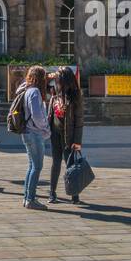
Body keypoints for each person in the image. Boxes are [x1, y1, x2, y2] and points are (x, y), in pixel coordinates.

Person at [47, 66, 85, 205]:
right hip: (55, 134)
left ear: (65, 81)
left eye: (58, 79)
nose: (56, 82)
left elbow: (79, 120)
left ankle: (75, 195)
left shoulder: (75, 97)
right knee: (55, 163)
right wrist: (50, 76)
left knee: (71, 165)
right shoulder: (55, 94)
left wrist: (77, 141)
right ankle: (52, 193)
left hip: (69, 136)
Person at [20, 65, 50, 209]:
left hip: (27, 132)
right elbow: (37, 115)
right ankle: (30, 199)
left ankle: (27, 197)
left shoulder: (26, 89)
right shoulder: (35, 92)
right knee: (37, 167)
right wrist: (46, 127)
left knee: (32, 166)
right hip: (34, 133)